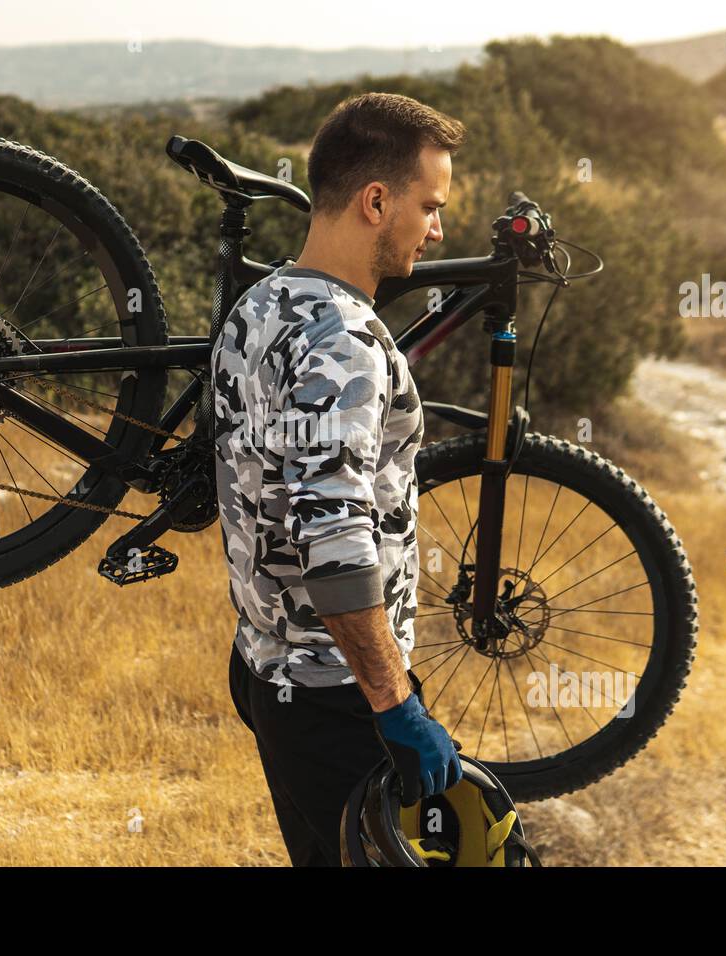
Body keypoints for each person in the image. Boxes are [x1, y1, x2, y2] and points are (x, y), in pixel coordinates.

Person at [212, 92, 468, 866]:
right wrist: (394, 706)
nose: (438, 228)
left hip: (269, 667)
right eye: (429, 205)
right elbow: (333, 537)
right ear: (376, 201)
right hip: (336, 696)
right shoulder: (344, 340)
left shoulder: (261, 306)